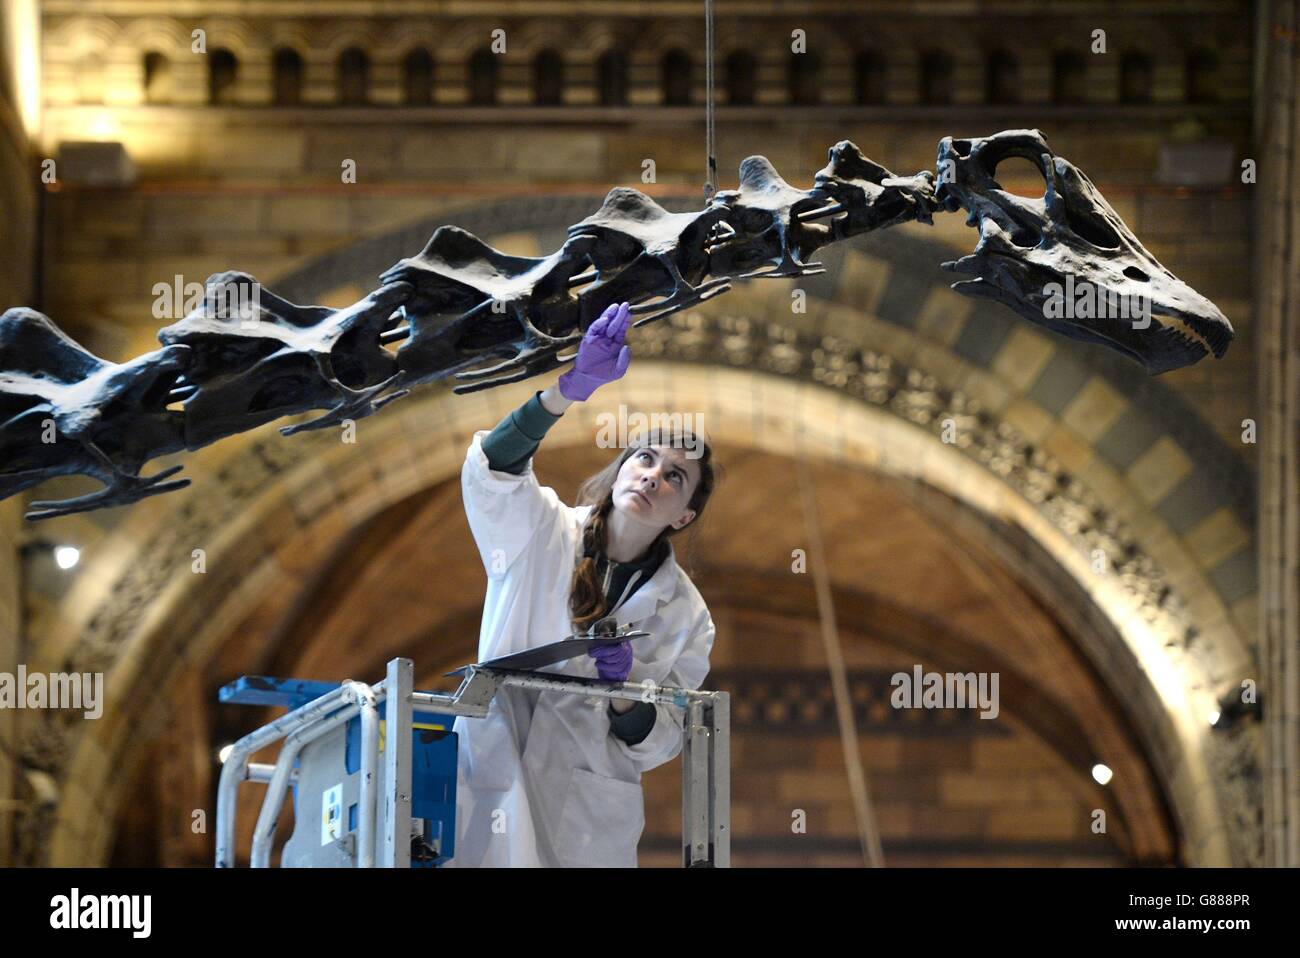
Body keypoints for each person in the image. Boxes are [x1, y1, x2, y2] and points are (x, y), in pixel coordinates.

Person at [443, 301, 719, 868]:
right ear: (621, 469)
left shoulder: (689, 617)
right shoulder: (541, 528)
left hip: (589, 812)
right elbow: (493, 471)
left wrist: (625, 699)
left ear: (684, 516)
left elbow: (663, 740)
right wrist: (565, 391)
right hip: (496, 763)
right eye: (644, 458)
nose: (652, 476)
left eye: (675, 477)